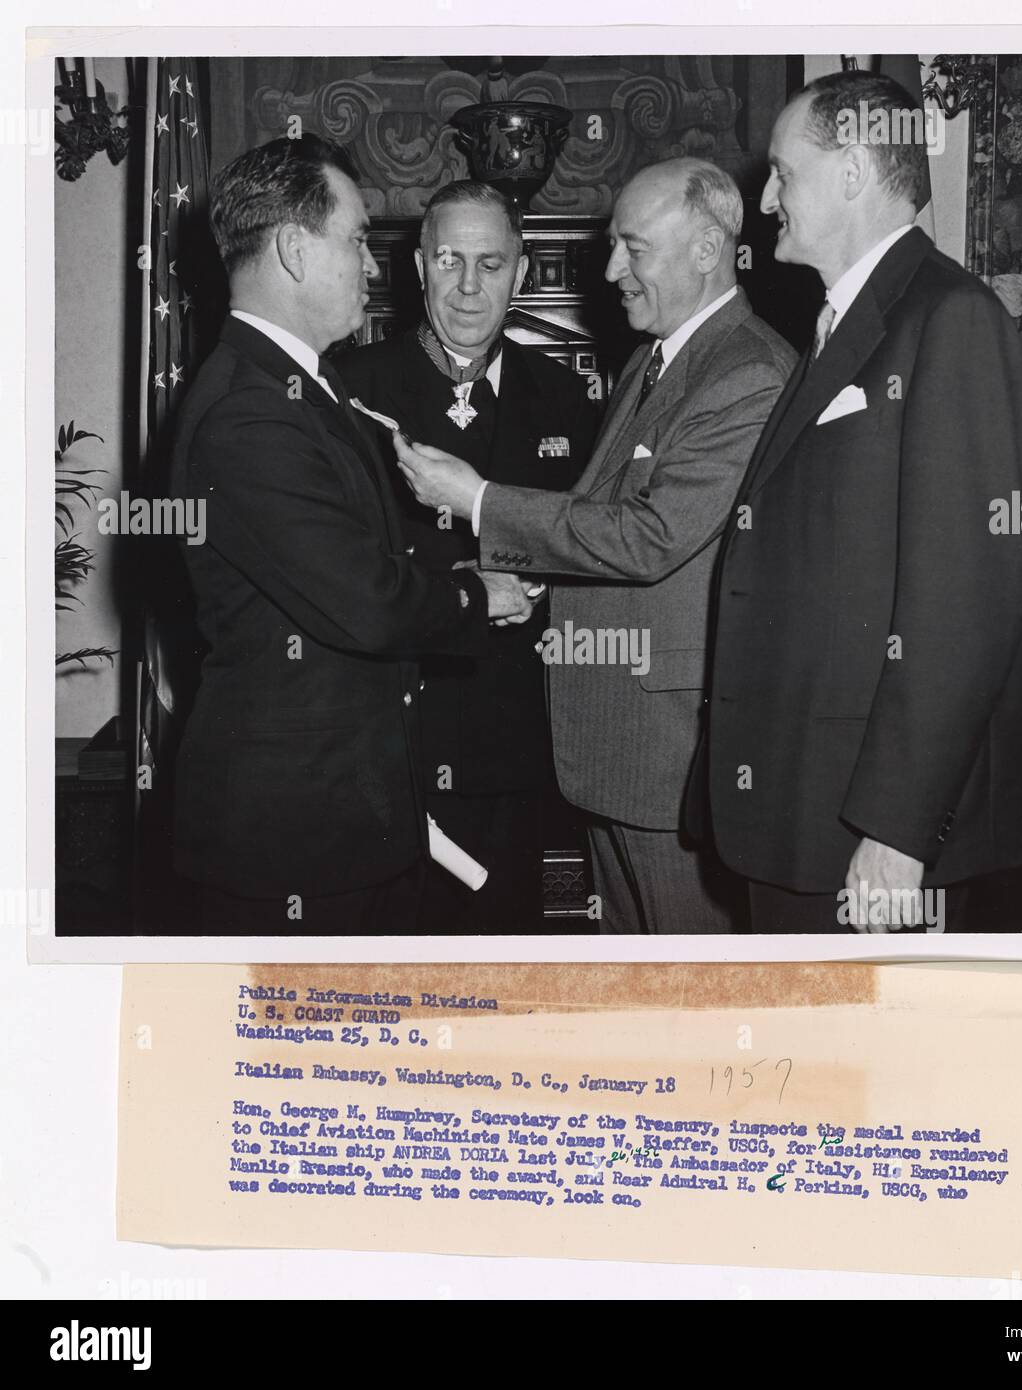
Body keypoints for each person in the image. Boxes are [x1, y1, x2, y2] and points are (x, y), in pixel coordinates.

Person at [395, 157, 795, 934]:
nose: (611, 269)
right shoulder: (651, 360)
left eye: (633, 248)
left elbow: (649, 538)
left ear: (709, 249)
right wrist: (533, 583)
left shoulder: (747, 373)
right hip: (616, 749)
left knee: (685, 997)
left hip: (667, 757)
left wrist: (476, 499)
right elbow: (599, 513)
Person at [169, 135, 533, 934]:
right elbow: (366, 602)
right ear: (297, 251)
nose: (373, 266)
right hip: (293, 839)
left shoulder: (296, 385)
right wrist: (482, 593)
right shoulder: (250, 411)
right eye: (359, 239)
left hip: (343, 823)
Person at [700, 72, 1022, 934]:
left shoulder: (950, 318)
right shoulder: (840, 323)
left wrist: (897, 830)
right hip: (796, 813)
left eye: (783, 172)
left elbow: (963, 605)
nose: (767, 199)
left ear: (852, 170)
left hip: (860, 834)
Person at [335, 182, 599, 934]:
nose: (469, 286)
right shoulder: (351, 392)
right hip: (386, 742)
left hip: (510, 743)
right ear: (418, 267)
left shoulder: (568, 399)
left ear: (521, 275)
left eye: (491, 263)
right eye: (449, 260)